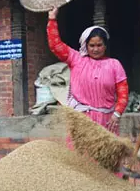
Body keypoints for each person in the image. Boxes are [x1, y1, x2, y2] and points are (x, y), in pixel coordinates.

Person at [46, 7, 129, 135]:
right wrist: (52, 19)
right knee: (79, 154)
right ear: (85, 45)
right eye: (92, 45)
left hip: (107, 121)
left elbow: (123, 93)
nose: (96, 49)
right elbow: (55, 45)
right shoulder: (76, 59)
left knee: (105, 153)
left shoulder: (114, 64)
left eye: (99, 45)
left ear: (105, 46)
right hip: (81, 121)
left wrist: (117, 114)